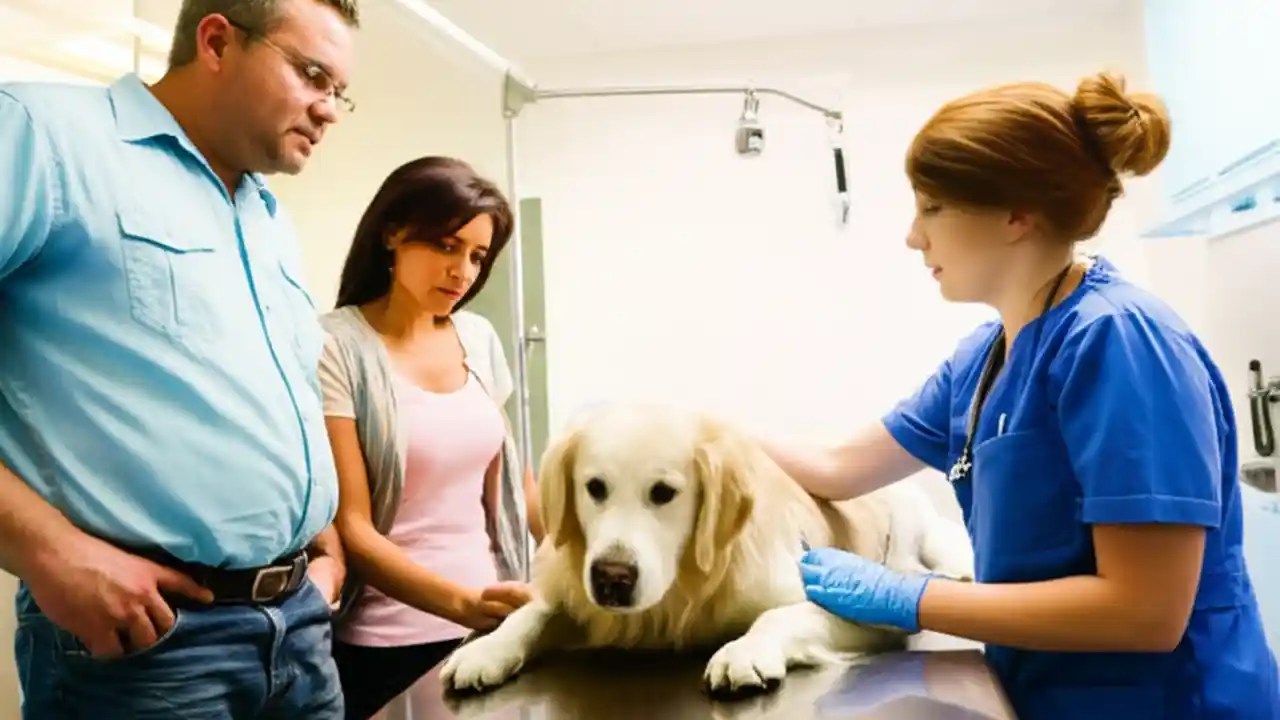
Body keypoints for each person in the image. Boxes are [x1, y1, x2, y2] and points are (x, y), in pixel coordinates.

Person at [766, 71, 1280, 719]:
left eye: (932, 207)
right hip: (1046, 697)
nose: (913, 236)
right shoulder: (982, 360)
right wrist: (698, 433)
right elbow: (838, 467)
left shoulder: (1120, 342)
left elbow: (1145, 612)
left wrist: (911, 598)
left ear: (1016, 213)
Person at [0, 0, 360, 717]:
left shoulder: (265, 214)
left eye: (339, 93)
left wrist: (324, 548)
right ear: (218, 41)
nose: (329, 112)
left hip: (299, 629)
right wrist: (48, 553)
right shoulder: (45, 134)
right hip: (151, 642)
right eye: (313, 76)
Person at [317, 156, 543, 719]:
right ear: (393, 234)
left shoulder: (478, 337)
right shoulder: (336, 345)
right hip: (391, 642)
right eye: (446, 246)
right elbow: (354, 527)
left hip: (496, 627)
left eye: (476, 256)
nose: (462, 271)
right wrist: (461, 603)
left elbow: (518, 488)